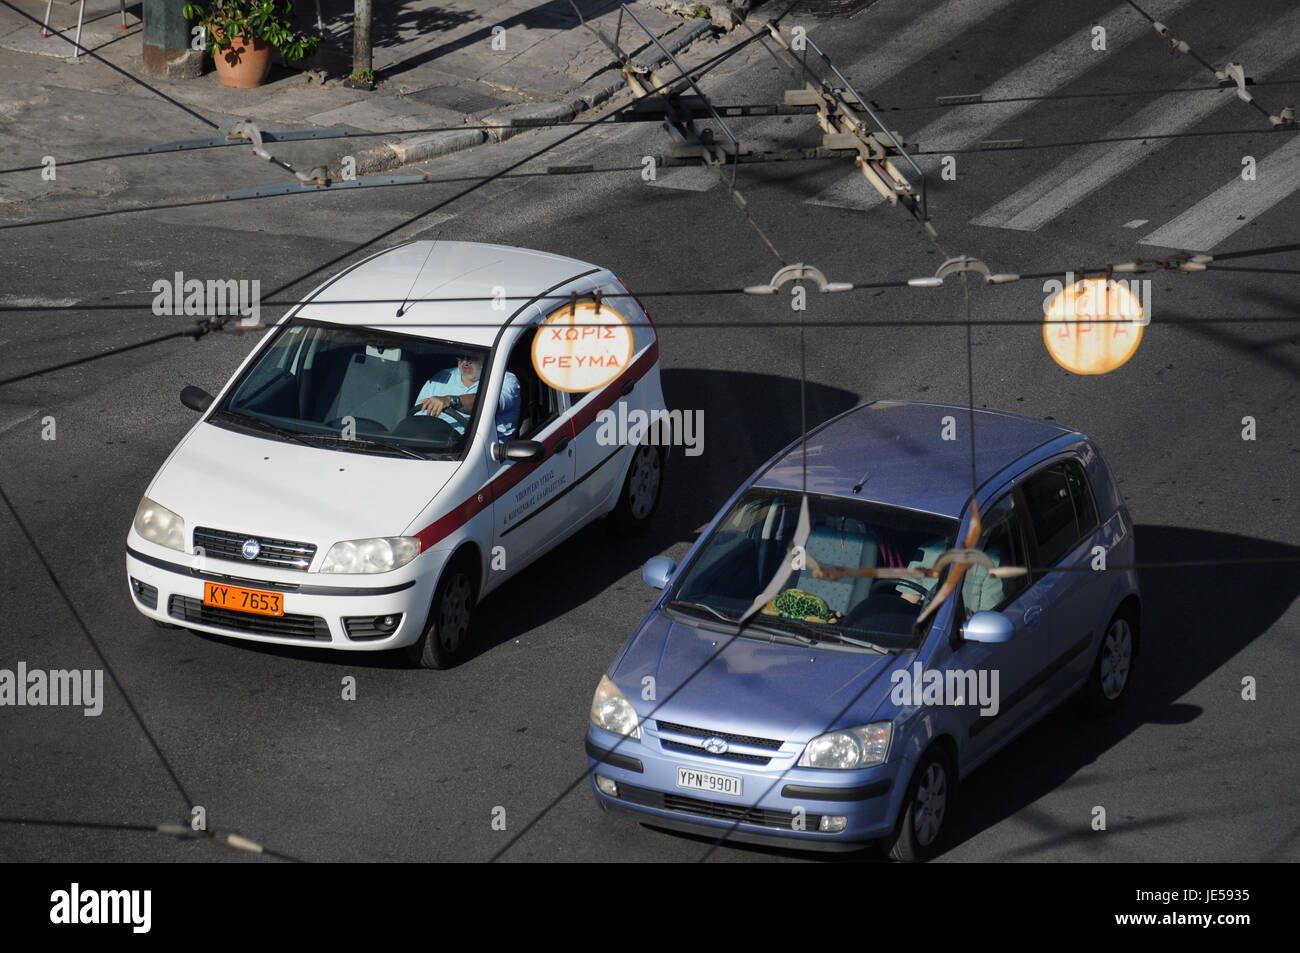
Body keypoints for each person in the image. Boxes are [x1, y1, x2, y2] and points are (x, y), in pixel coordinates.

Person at [414, 351, 521, 440]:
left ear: (487, 358)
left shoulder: (506, 380)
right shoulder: (443, 377)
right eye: (460, 357)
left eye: (471, 357)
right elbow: (418, 417)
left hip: (483, 450)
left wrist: (451, 400)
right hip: (433, 441)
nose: (465, 362)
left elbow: (488, 404)